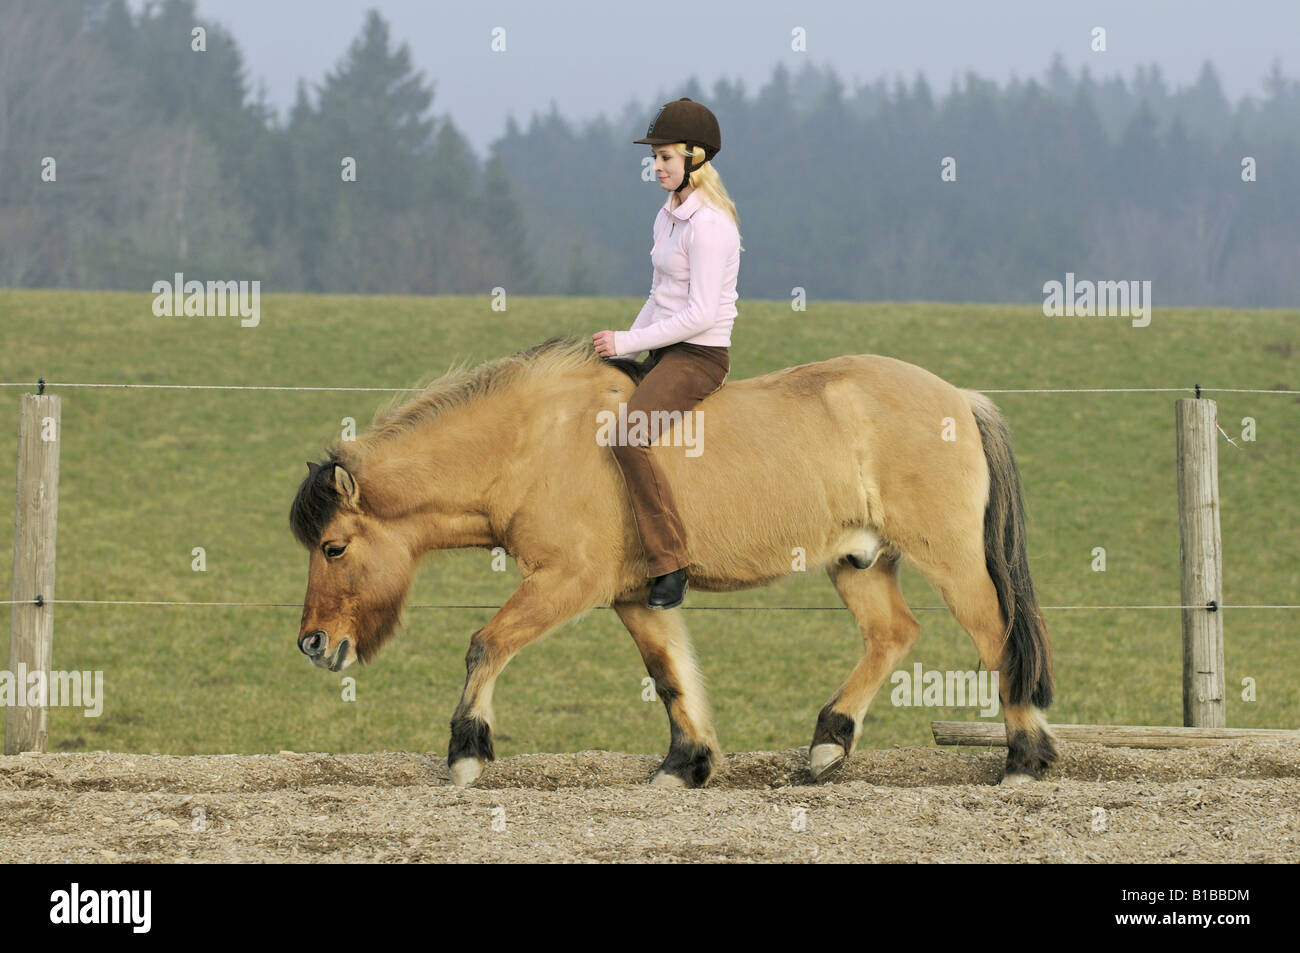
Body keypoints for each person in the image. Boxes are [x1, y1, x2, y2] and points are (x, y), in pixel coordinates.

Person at [592, 97, 743, 610]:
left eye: (665, 158)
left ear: (695, 158)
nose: (655, 167)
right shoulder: (668, 217)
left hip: (698, 356)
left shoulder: (710, 226)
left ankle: (671, 563)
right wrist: (623, 348)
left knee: (630, 437)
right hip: (664, 345)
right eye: (655, 158)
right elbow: (659, 297)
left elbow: (700, 315)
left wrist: (629, 343)